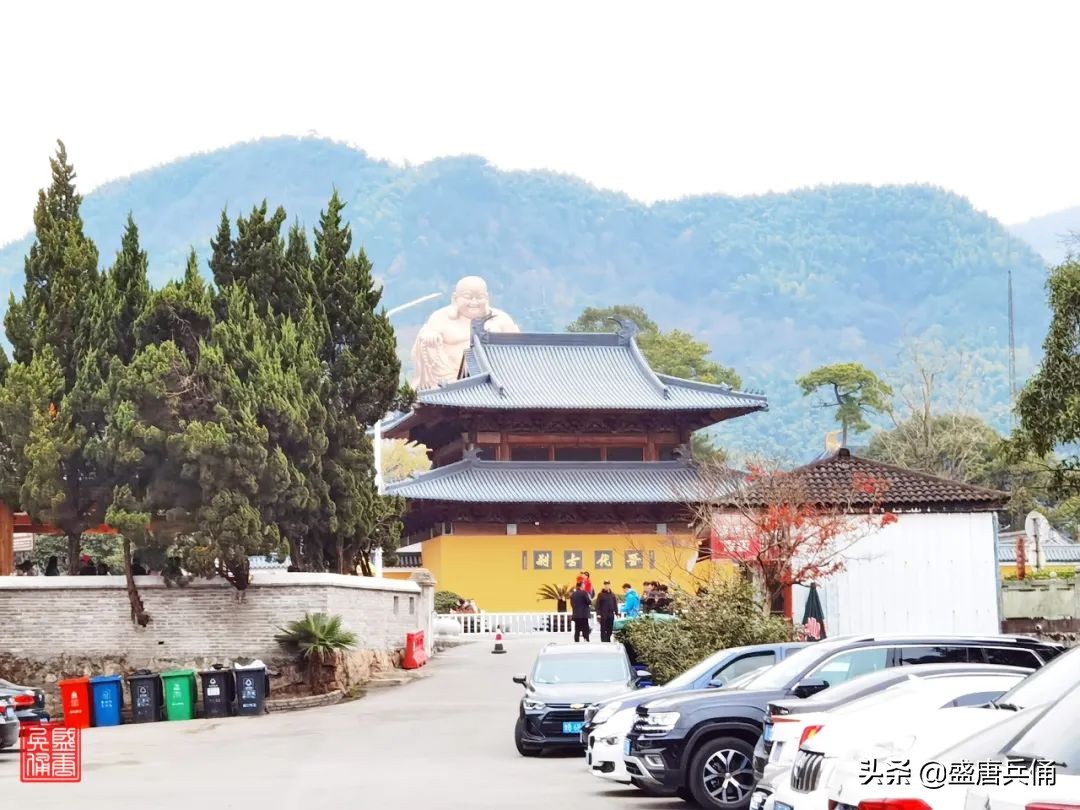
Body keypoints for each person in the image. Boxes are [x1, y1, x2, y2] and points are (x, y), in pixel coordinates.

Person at [410, 276, 520, 390]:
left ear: (487, 298)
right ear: (455, 298)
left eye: (479, 297)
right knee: (425, 339)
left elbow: (518, 346)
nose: (474, 302)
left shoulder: (501, 319)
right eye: (468, 297)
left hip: (494, 379)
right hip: (446, 378)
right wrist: (430, 337)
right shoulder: (440, 317)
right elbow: (427, 334)